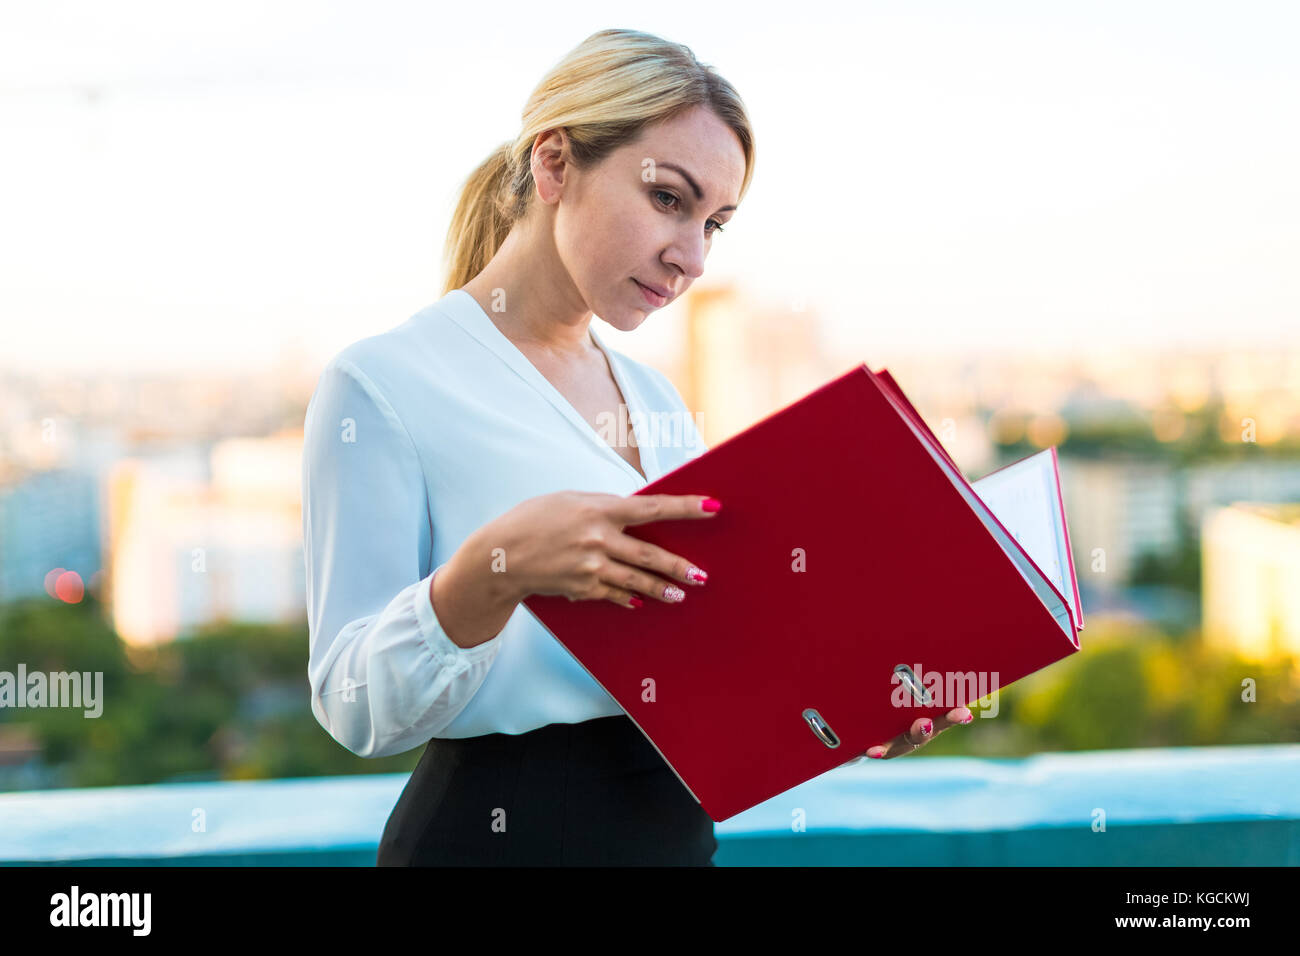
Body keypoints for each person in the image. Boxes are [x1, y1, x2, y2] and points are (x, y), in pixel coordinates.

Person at [301, 27, 971, 867]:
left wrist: (850, 707)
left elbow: (710, 658)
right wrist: (494, 568)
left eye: (714, 223)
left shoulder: (654, 398)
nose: (689, 257)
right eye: (667, 199)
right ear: (553, 165)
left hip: (673, 841)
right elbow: (353, 703)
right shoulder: (382, 385)